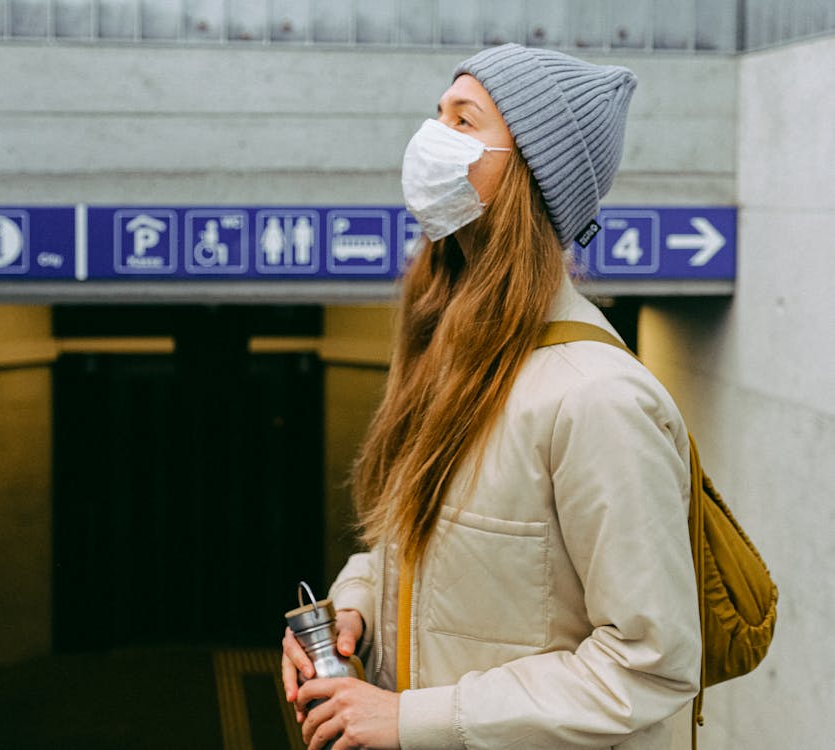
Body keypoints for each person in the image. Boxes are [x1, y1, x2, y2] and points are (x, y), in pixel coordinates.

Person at [281, 44, 701, 749]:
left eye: (462, 119)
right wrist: (354, 608)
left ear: (529, 173)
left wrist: (408, 719)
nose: (430, 136)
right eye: (436, 111)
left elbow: (650, 664)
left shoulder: (596, 398)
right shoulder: (455, 352)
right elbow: (423, 552)